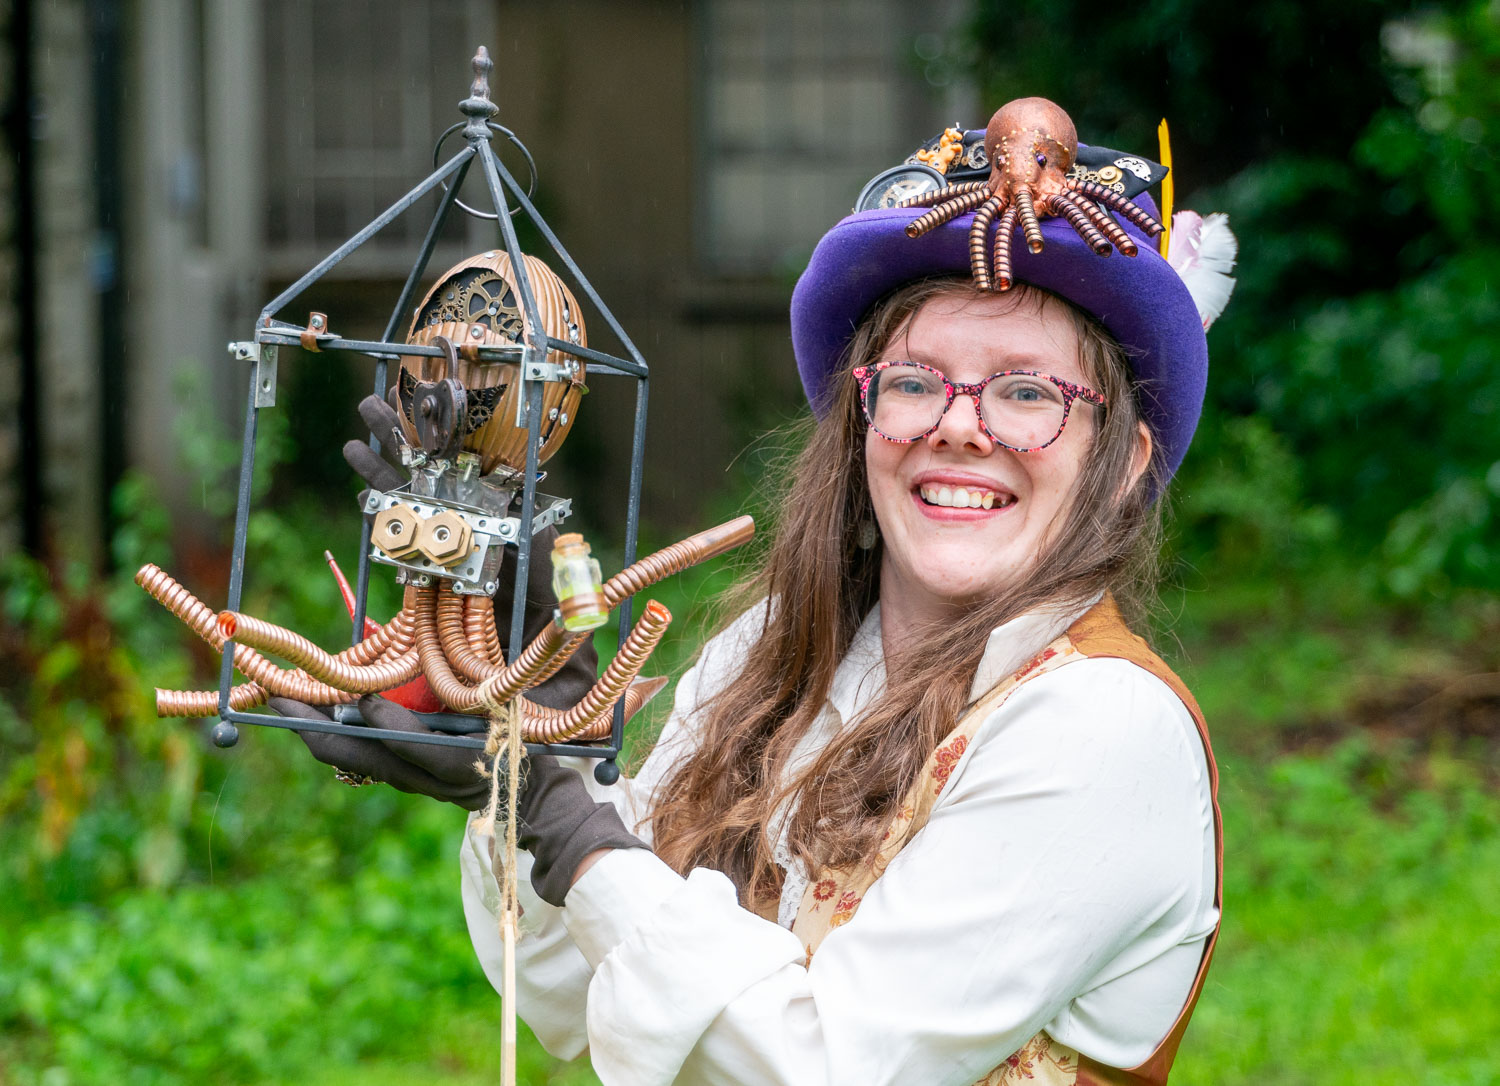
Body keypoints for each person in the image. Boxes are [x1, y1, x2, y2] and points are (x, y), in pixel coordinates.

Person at [280, 116, 1228, 1086]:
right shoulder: (769, 656)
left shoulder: (1105, 728)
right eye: (913, 382)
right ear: (863, 422)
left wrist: (569, 817)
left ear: (1124, 465)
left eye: (1028, 395)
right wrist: (536, 747)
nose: (959, 428)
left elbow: (829, 1065)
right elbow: (570, 987)